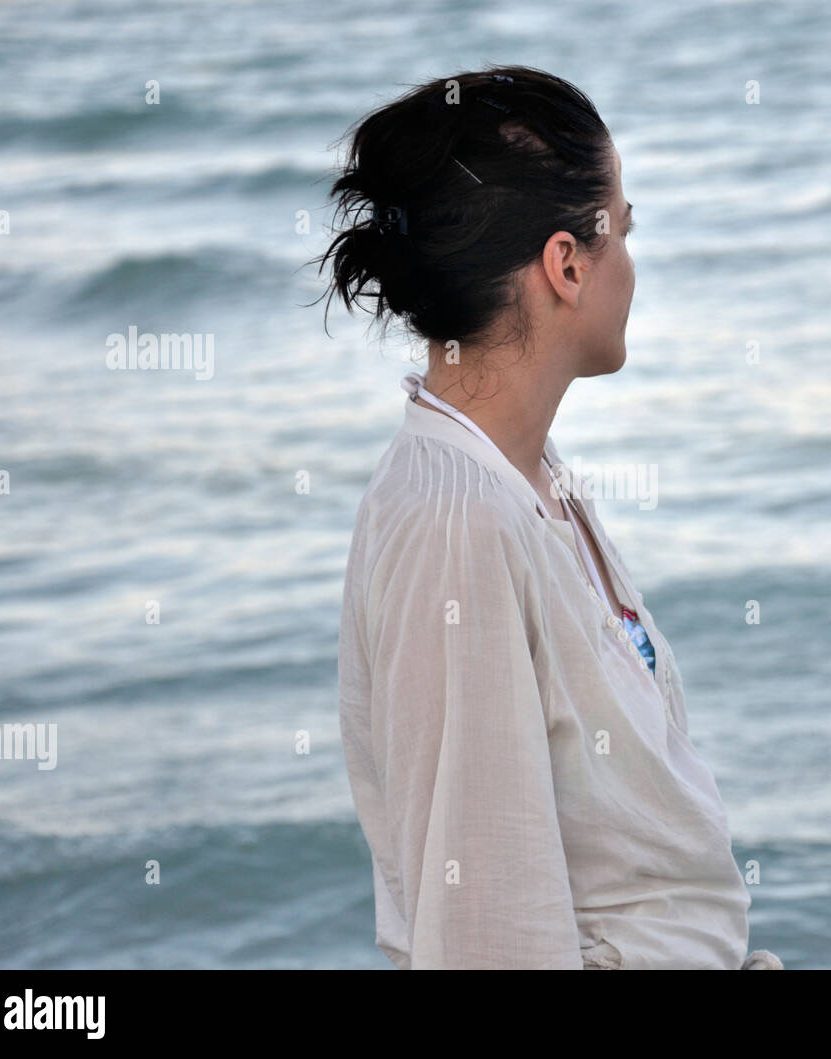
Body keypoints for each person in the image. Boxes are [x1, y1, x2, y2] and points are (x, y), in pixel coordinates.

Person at [321, 65, 783, 970]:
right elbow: (487, 936)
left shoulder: (527, 479)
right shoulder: (457, 523)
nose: (635, 269)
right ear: (566, 265)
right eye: (626, 234)